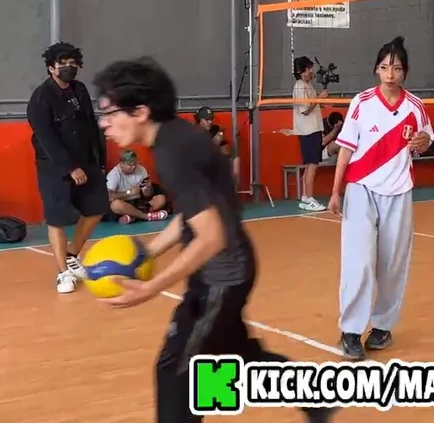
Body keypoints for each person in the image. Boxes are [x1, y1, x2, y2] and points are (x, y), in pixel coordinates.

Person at [90, 56, 337, 423]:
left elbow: (211, 235)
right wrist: (149, 251)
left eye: (110, 113)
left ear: (140, 111)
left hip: (222, 275)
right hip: (227, 268)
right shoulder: (176, 137)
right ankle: (315, 398)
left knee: (178, 371)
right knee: (235, 356)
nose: (104, 123)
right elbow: (195, 214)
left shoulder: (173, 152)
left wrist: (152, 287)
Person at [327, 37, 432, 361]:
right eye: (385, 67)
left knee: (392, 264)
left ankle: (383, 327)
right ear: (376, 69)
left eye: (396, 68)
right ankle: (350, 331)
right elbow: (346, 149)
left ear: (405, 72)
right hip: (361, 189)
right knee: (358, 262)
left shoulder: (415, 106)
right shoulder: (361, 102)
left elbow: (427, 137)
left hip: (398, 193)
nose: (390, 74)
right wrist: (336, 190)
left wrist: (423, 141)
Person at [26, 42, 108, 293]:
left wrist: (99, 160)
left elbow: (90, 125)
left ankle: (72, 256)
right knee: (57, 219)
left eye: (72, 63)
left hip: (87, 161)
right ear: (51, 68)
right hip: (54, 167)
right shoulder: (41, 98)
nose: (68, 67)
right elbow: (46, 138)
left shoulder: (80, 90)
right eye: (62, 63)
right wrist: (70, 167)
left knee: (97, 208)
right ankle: (63, 273)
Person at [292, 56, 327, 211]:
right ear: (301, 71)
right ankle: (310, 198)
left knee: (311, 165)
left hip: (314, 128)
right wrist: (319, 98)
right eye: (307, 69)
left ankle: (306, 197)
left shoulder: (308, 85)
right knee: (312, 165)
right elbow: (305, 110)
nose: (311, 71)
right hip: (308, 130)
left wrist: (320, 99)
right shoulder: (300, 87)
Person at [105, 150, 170, 223]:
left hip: (139, 202)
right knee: (115, 205)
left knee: (161, 199)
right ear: (121, 164)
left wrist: (148, 187)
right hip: (125, 203)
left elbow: (147, 195)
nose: (133, 167)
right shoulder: (114, 174)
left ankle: (134, 216)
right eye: (130, 165)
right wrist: (129, 192)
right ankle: (146, 216)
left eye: (135, 164)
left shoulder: (141, 169)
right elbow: (109, 197)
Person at [194, 106, 240, 181]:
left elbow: (227, 152)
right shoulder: (193, 132)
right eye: (207, 119)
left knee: (235, 160)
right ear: (199, 120)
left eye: (211, 119)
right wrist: (214, 143)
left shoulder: (216, 129)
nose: (210, 122)